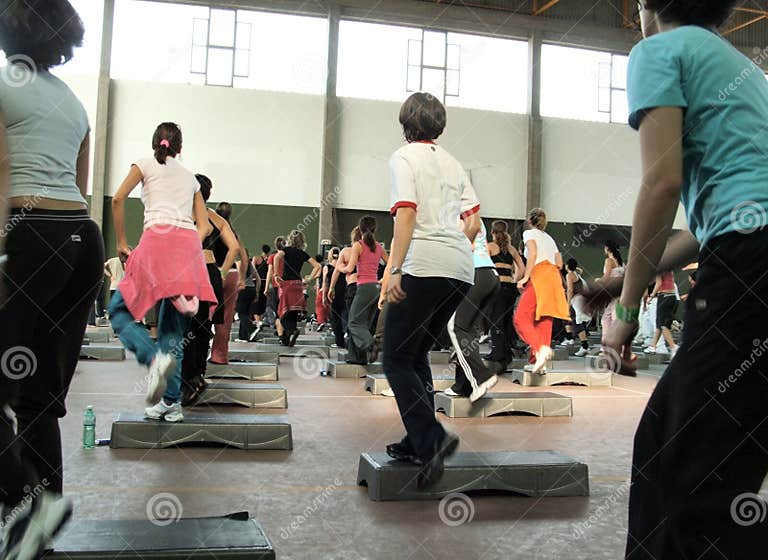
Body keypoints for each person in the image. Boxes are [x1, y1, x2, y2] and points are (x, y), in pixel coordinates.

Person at [599, 2, 768, 557]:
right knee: (677, 448)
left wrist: (625, 313)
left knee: (688, 475)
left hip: (750, 265)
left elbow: (662, 183)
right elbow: (710, 226)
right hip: (748, 251)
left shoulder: (658, 51)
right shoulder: (745, 74)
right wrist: (625, 278)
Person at [0, 3, 105, 556]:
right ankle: (36, 528)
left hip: (28, 236)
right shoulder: (72, 100)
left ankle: (26, 503)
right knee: (39, 396)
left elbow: (0, 174)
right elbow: (81, 187)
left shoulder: (2, 85)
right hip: (80, 242)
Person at [383, 92, 481, 488]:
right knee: (416, 352)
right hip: (460, 268)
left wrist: (393, 269)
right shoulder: (454, 163)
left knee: (394, 359)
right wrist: (450, 244)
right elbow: (473, 223)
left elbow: (406, 214)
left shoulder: (402, 158)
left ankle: (432, 439)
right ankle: (416, 438)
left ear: (405, 123)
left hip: (423, 266)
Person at [107, 122, 217, 424]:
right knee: (173, 332)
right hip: (187, 248)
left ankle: (152, 358)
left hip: (157, 239)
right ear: (179, 148)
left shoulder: (143, 164)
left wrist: (121, 242)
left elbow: (117, 199)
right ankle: (172, 404)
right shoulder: (191, 178)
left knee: (118, 309)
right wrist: (187, 246)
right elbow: (204, 225)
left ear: (156, 142)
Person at [180, 174, 237, 406]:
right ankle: (198, 375)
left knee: (187, 326)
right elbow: (234, 246)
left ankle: (189, 380)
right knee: (203, 325)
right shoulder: (215, 218)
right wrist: (222, 271)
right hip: (211, 270)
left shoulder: (184, 213)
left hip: (191, 271)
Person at [446, 220, 500, 401]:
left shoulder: (459, 218)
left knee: (455, 327)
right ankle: (462, 386)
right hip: (490, 274)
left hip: (475, 272)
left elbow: (463, 247)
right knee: (468, 332)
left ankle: (482, 377)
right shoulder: (476, 218)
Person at [513, 208, 570, 374]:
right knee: (544, 321)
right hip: (554, 277)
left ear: (529, 221)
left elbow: (533, 253)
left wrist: (525, 277)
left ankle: (539, 349)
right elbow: (559, 262)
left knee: (521, 317)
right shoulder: (550, 239)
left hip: (540, 275)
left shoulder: (529, 234)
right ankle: (538, 362)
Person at [335, 216, 388, 365]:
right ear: (374, 229)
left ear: (360, 228)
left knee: (353, 323)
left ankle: (372, 345)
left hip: (363, 288)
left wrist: (339, 267)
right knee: (364, 324)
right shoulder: (378, 246)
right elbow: (391, 265)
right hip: (376, 288)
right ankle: (361, 357)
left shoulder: (358, 245)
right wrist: (382, 280)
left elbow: (350, 269)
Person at [209, 202, 247, 363]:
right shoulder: (233, 233)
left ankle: (198, 353)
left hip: (211, 272)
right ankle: (220, 356)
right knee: (225, 319)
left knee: (204, 314)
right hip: (231, 274)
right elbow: (244, 258)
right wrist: (243, 278)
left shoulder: (208, 228)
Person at [486, 220, 525, 368]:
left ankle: (498, 353)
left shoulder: (490, 247)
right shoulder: (511, 249)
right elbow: (521, 267)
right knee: (507, 320)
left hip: (498, 287)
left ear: (493, 232)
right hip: (510, 288)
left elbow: (483, 265)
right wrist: (515, 280)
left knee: (496, 320)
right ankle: (506, 352)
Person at [273, 230, 321, 346]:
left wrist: (276, 274)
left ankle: (291, 332)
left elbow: (276, 257)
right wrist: (309, 278)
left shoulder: (286, 250)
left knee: (282, 312)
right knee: (293, 311)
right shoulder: (302, 253)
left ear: (290, 239)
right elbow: (318, 266)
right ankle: (287, 337)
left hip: (287, 283)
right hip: (298, 284)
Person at [643, 271, 679, 357]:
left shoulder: (659, 267)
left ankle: (673, 346)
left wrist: (651, 297)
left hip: (664, 296)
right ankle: (653, 346)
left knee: (663, 325)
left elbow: (658, 283)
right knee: (659, 323)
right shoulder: (669, 268)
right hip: (672, 296)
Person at [599, 240, 625, 349]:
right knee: (608, 318)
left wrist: (598, 280)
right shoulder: (621, 262)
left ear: (608, 249)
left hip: (613, 292)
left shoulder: (609, 260)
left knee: (612, 319)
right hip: (620, 292)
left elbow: (606, 277)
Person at [565, 258, 591, 357]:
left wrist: (568, 303)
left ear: (567, 266)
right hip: (580, 301)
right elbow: (580, 270)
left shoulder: (569, 275)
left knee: (577, 322)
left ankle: (584, 346)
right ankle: (571, 339)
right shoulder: (577, 274)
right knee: (573, 321)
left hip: (576, 301)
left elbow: (570, 290)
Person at [323, 247, 347, 348]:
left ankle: (339, 341)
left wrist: (324, 297)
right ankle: (347, 336)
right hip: (345, 291)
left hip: (333, 293)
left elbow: (325, 283)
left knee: (335, 318)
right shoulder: (344, 265)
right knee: (345, 315)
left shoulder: (327, 267)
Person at [235, 250, 260, 342]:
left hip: (243, 290)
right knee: (246, 313)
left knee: (240, 313)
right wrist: (257, 293)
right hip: (252, 289)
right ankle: (243, 336)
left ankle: (253, 328)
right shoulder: (250, 264)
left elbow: (238, 279)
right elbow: (258, 280)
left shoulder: (238, 263)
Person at [264, 237, 285, 338]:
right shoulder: (287, 256)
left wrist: (266, 287)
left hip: (277, 286)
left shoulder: (272, 256)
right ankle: (282, 329)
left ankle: (279, 330)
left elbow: (270, 272)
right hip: (287, 286)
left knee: (277, 310)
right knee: (285, 309)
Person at [249, 244, 270, 338]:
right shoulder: (269, 260)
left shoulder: (256, 258)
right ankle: (259, 321)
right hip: (265, 283)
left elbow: (252, 270)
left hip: (257, 282)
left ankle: (258, 322)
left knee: (255, 303)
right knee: (262, 303)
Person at [313, 253, 330, 331]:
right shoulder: (328, 265)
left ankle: (321, 321)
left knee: (319, 304)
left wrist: (309, 278)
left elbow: (318, 275)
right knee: (326, 305)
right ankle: (326, 319)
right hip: (329, 287)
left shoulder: (320, 266)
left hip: (323, 287)